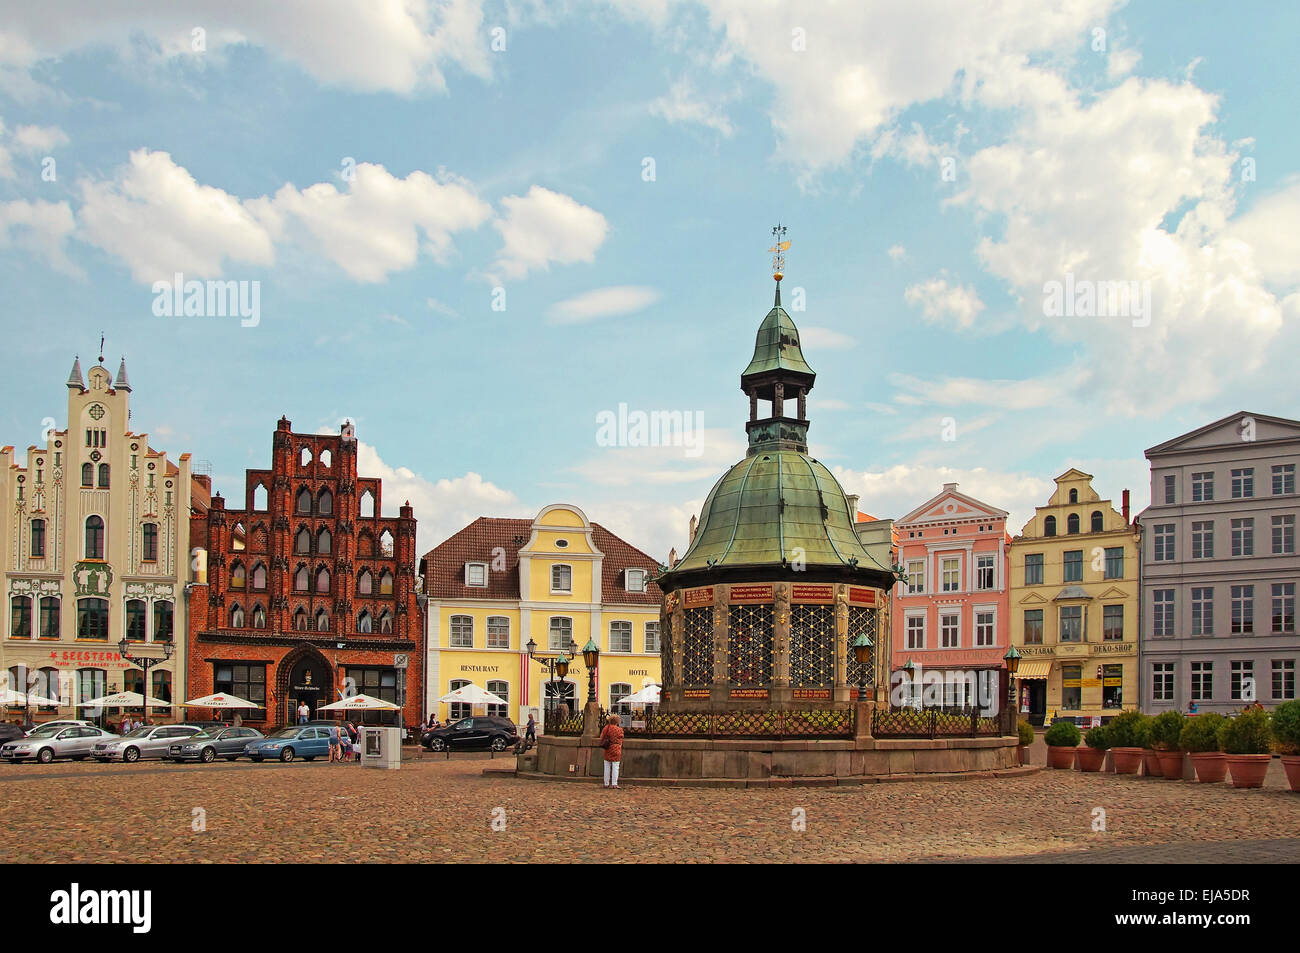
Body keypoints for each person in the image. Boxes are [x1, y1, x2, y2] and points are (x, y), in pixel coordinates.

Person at [598, 713, 624, 789]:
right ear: (617, 722)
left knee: (607, 766)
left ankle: (606, 783)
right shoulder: (619, 729)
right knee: (615, 766)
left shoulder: (606, 728)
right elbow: (621, 738)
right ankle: (614, 783)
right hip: (616, 748)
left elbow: (601, 737)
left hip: (608, 748)